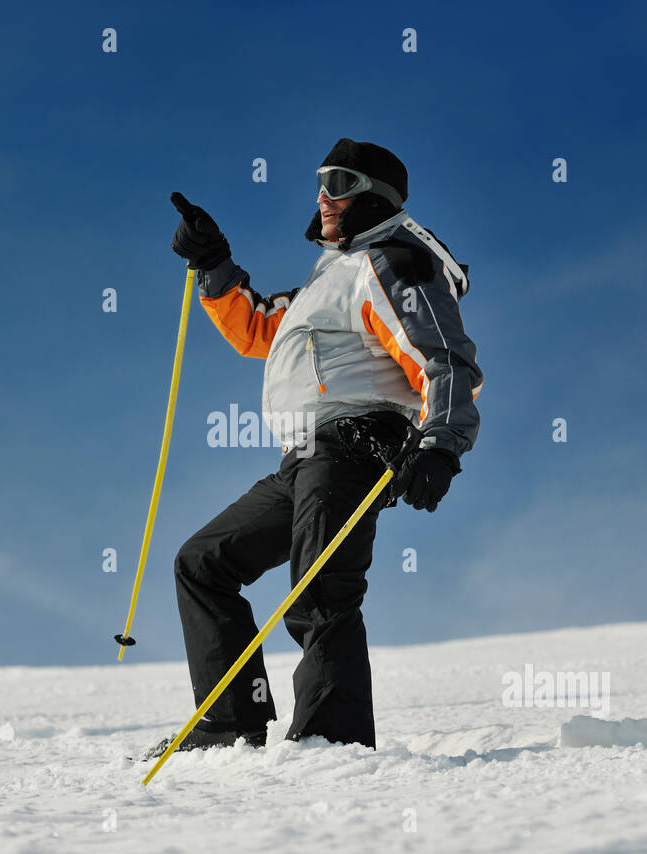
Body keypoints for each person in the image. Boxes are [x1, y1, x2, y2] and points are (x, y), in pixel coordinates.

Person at [148, 138, 482, 759]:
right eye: (321, 182)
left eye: (342, 183)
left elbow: (445, 358)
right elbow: (258, 327)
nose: (325, 196)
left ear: (375, 196)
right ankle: (227, 723)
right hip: (303, 457)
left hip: (357, 443)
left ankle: (333, 743)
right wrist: (215, 263)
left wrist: (441, 442)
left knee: (321, 588)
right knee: (202, 563)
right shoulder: (328, 279)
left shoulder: (396, 263)